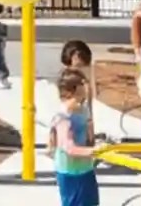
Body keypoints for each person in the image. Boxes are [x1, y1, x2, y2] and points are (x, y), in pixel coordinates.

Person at [48, 69, 100, 206]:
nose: (86, 88)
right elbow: (68, 148)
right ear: (71, 91)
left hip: (86, 168)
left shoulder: (83, 110)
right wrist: (93, 152)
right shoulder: (63, 117)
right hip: (69, 171)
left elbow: (89, 138)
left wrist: (94, 146)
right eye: (83, 85)